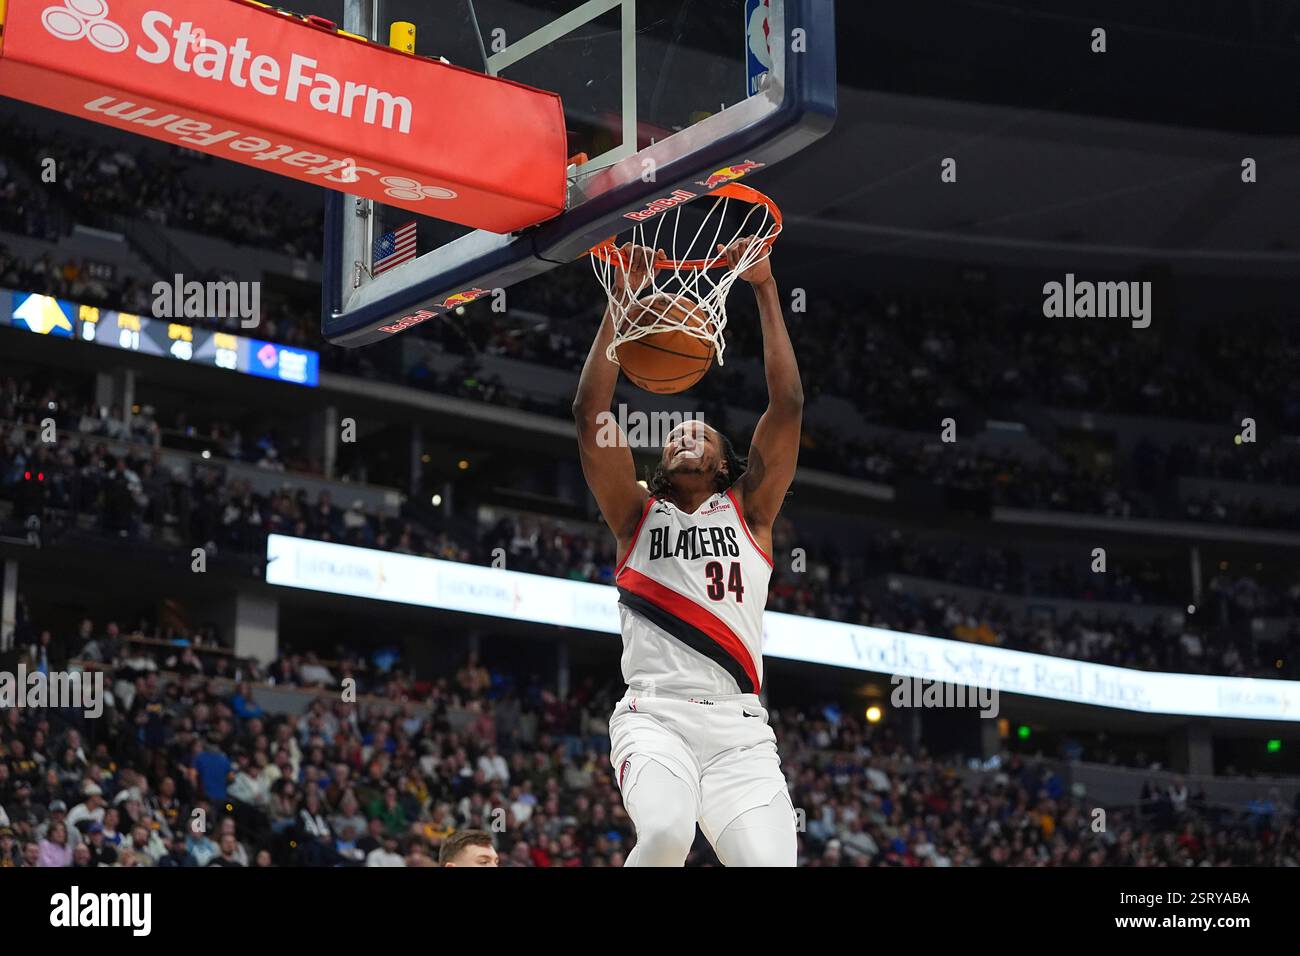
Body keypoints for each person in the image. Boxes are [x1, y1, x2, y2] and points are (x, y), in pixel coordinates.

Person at [572, 237, 802, 866]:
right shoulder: (635, 515)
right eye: (674, 434)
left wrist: (764, 288)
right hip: (656, 715)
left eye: (698, 432)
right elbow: (591, 410)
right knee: (667, 837)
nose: (682, 436)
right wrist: (622, 299)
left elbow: (788, 405)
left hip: (741, 732)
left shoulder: (751, 512)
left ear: (728, 462)